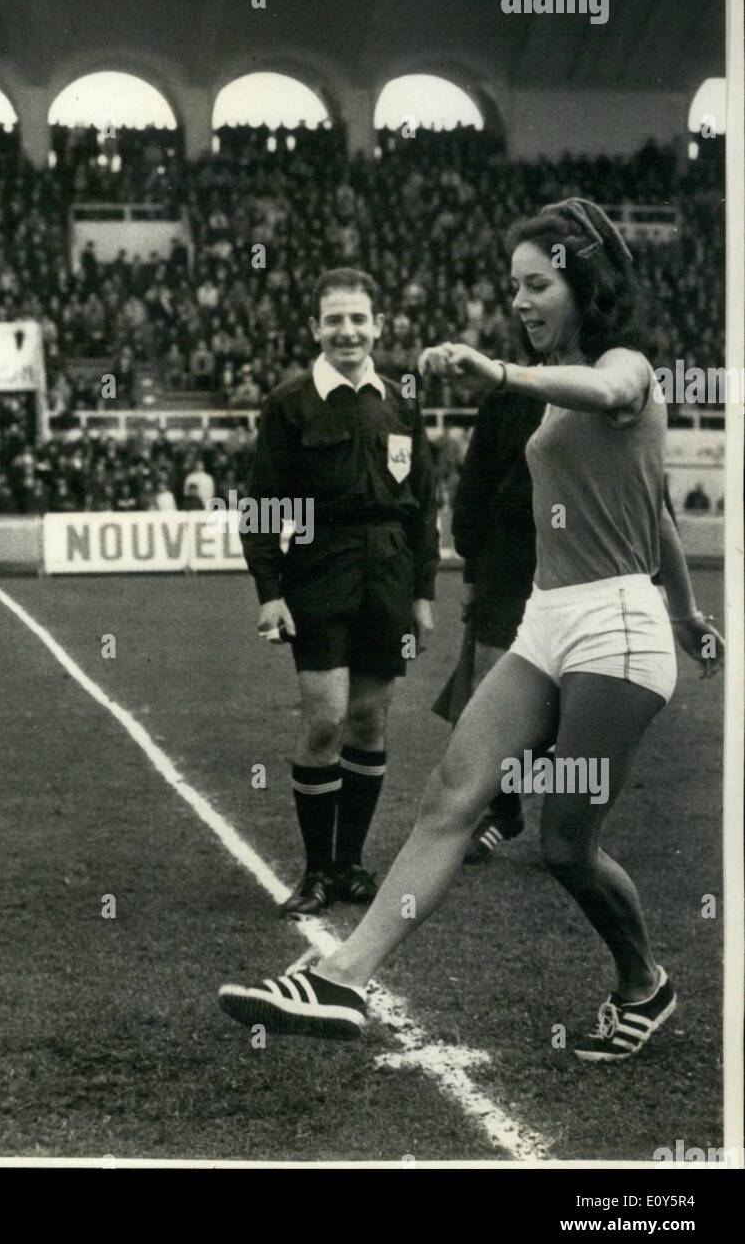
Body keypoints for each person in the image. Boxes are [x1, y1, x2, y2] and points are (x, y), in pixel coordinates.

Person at [220, 200, 723, 1060]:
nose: (520, 301)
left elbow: (614, 395)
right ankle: (342, 978)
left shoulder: (622, 367)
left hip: (616, 631)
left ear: (584, 280)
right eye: (514, 286)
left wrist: (497, 373)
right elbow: (659, 520)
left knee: (567, 843)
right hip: (548, 619)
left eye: (538, 284)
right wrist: (690, 611)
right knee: (454, 792)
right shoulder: (556, 384)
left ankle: (646, 984)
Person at [239, 267, 440, 916]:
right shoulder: (289, 403)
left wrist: (423, 593)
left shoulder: (400, 404)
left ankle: (353, 865)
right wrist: (269, 590)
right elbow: (263, 505)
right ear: (315, 329)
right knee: (324, 721)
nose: (348, 331)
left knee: (370, 720)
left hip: (388, 572)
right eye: (335, 320)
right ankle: (317, 871)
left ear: (377, 326)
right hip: (319, 570)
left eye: (359, 319)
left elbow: (424, 507)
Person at [433, 380, 546, 862]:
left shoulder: (607, 385)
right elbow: (476, 483)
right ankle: (504, 809)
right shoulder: (507, 396)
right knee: (485, 688)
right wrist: (473, 571)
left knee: (576, 697)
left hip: (584, 554)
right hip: (508, 555)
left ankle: (575, 824)